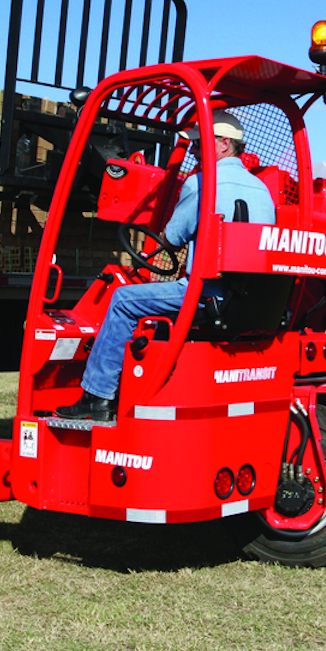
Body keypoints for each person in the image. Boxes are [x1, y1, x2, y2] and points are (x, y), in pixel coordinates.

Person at [56, 109, 276, 424]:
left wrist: (163, 238)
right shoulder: (262, 190)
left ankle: (98, 395)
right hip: (247, 299)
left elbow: (172, 238)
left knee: (122, 300)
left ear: (224, 143)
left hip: (206, 293)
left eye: (199, 144)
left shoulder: (202, 184)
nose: (195, 152)